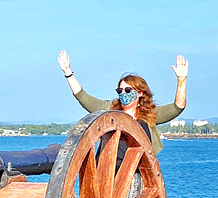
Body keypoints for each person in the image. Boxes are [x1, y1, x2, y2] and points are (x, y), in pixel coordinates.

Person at [57, 50, 188, 152]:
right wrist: (68, 72)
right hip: (111, 167)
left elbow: (178, 107)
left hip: (139, 169)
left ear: (140, 93)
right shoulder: (110, 109)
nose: (123, 93)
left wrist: (181, 80)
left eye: (128, 90)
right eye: (120, 91)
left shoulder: (150, 114)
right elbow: (83, 97)